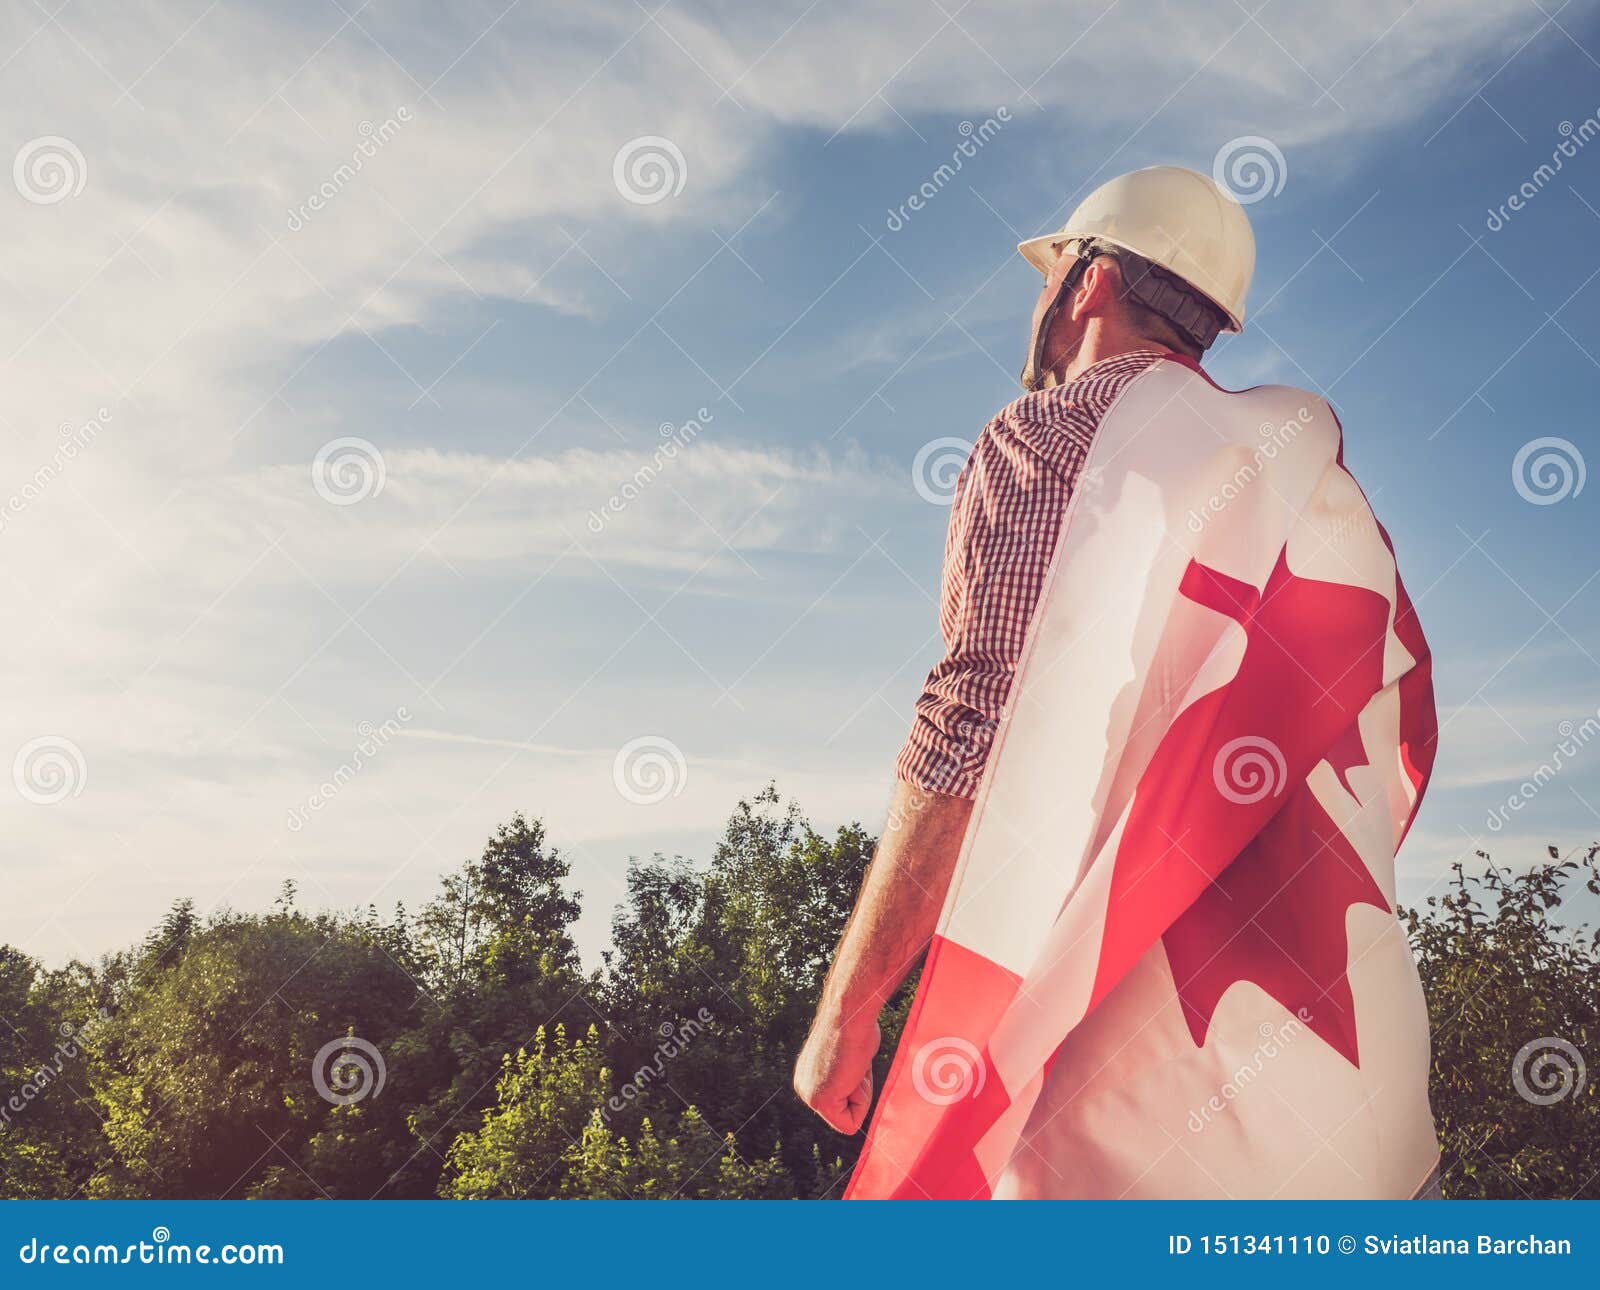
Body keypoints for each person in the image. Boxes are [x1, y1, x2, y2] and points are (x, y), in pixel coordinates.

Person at [794, 166, 1441, 1200]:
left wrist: (851, 1005)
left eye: (1052, 270)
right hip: (1358, 1075)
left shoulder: (1048, 441)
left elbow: (971, 722)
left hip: (1144, 1104)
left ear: (1087, 282)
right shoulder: (1315, 491)